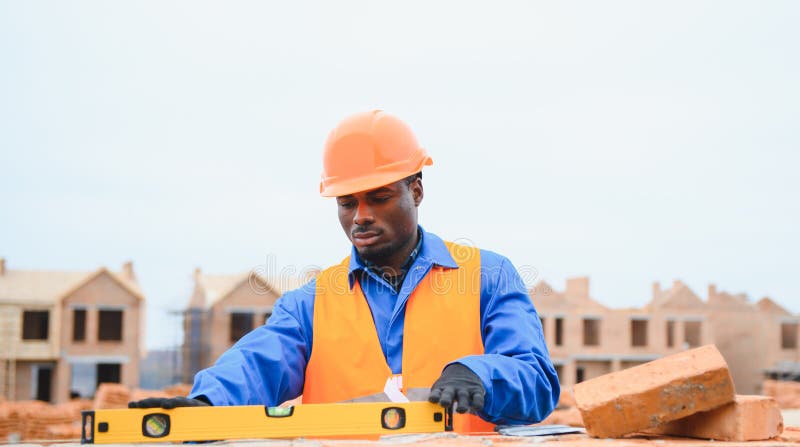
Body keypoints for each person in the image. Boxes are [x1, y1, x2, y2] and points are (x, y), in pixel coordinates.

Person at [130, 110, 559, 430]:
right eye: (347, 202)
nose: (361, 216)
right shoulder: (309, 304)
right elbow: (259, 363)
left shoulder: (488, 277)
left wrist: (480, 374)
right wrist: (207, 406)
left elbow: (537, 380)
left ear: (416, 190)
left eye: (379, 196)